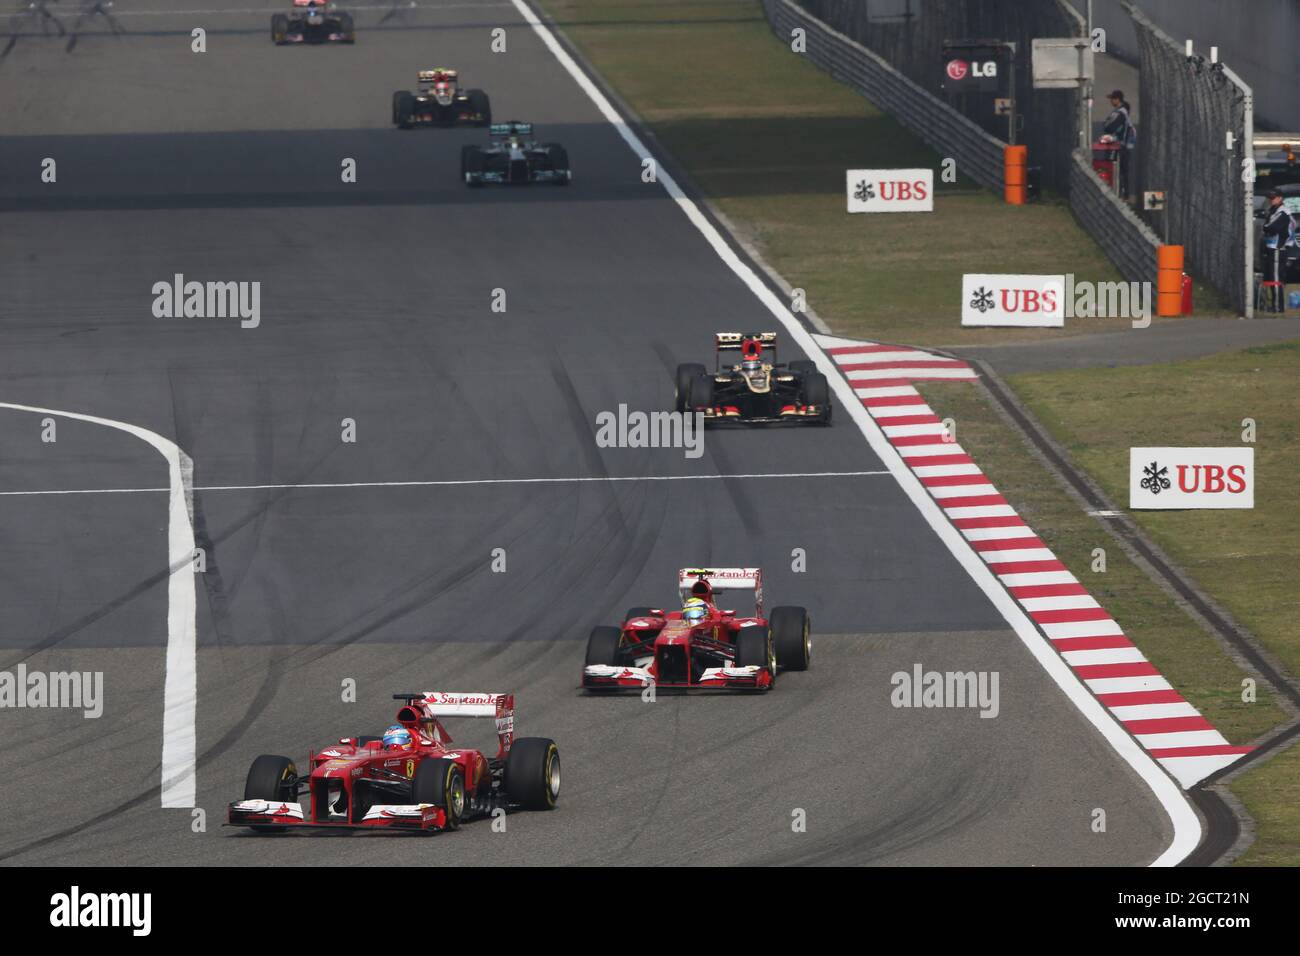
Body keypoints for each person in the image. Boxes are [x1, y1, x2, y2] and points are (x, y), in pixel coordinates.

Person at [1260, 189, 1295, 313]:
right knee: (1272, 277)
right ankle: (1275, 305)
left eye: (1274, 198)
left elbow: (1271, 228)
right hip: (1273, 247)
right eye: (1270, 198)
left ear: (1280, 198)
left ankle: (1277, 306)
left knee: (1276, 278)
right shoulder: (1274, 211)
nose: (1271, 200)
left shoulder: (1283, 213)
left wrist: (1266, 227)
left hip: (1277, 249)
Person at [1102, 90, 1134, 199]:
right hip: (1123, 145)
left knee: (1118, 170)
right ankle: (1124, 193)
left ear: (1117, 99)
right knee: (1123, 170)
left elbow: (1109, 127)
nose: (1111, 101)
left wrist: (1107, 125)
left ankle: (1120, 193)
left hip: (1119, 146)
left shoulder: (1120, 113)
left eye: (1112, 99)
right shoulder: (1123, 112)